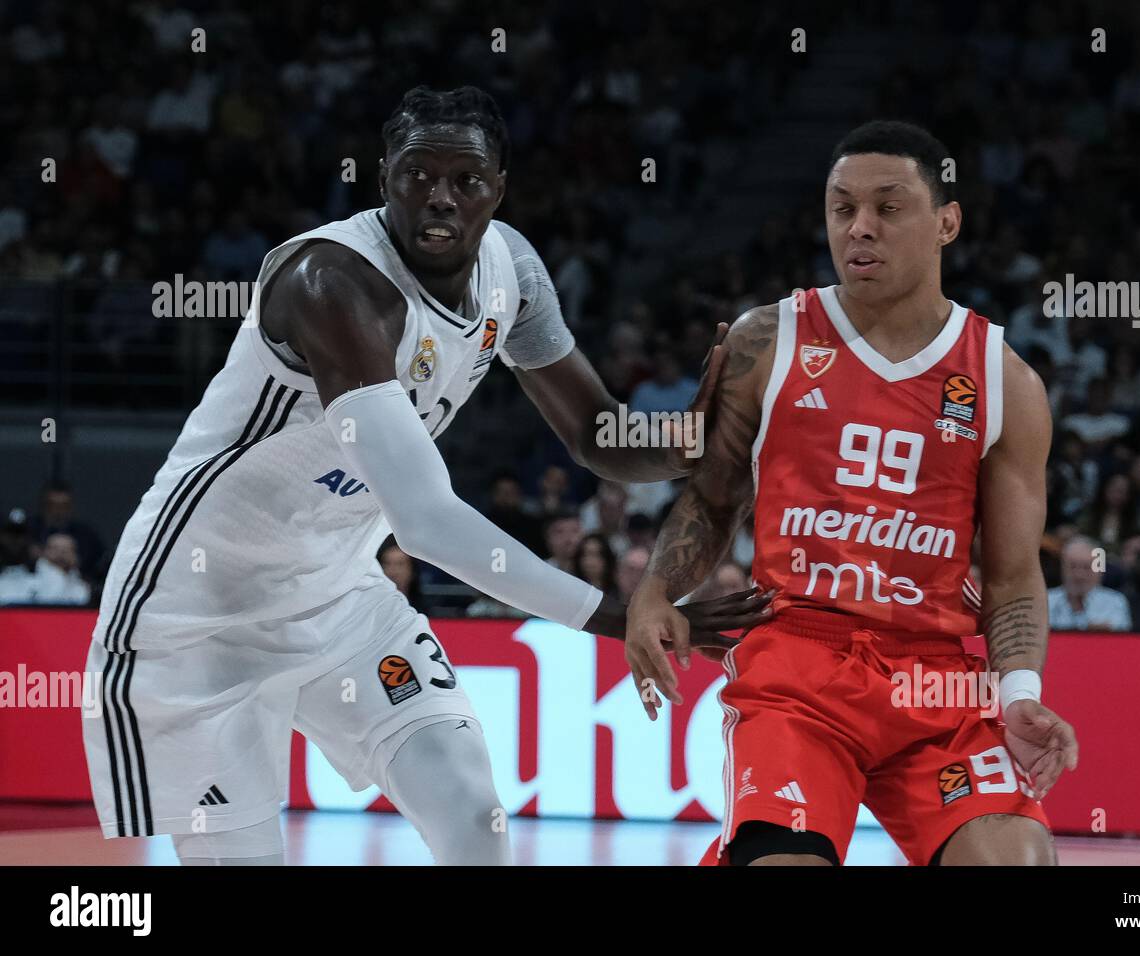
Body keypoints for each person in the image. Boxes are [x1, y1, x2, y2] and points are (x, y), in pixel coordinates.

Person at [81, 85, 770, 867]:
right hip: (198, 614)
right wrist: (616, 616)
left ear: (498, 190)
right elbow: (427, 522)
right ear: (384, 179)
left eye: (466, 180)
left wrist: (692, 438)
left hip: (340, 597)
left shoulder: (512, 268)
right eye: (418, 175)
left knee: (478, 824)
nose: (440, 197)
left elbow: (594, 433)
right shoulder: (331, 284)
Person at [628, 120, 1076, 867]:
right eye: (842, 209)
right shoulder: (764, 340)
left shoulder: (1004, 381)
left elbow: (1013, 576)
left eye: (888, 207)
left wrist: (1020, 690)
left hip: (936, 686)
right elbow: (710, 503)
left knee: (1019, 861)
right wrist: (653, 592)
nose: (860, 228)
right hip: (798, 665)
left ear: (946, 222)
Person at [1047, 535, 1132, 630]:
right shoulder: (1046, 601)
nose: (1079, 574)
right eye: (1073, 566)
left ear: (1099, 570)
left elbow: (1121, 639)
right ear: (1062, 568)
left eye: (1087, 567)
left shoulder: (1115, 602)